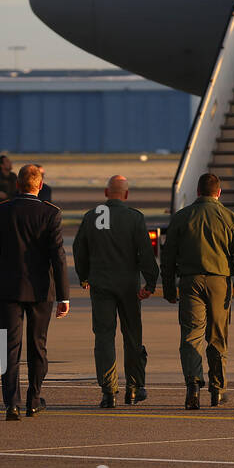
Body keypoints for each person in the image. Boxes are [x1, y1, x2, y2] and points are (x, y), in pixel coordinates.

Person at [0, 164, 69, 421]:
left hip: (7, 289)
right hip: (41, 290)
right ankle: (33, 399)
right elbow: (58, 256)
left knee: (9, 348)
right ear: (40, 186)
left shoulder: (0, 211)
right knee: (38, 346)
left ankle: (11, 404)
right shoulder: (50, 213)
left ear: (17, 185)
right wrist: (64, 295)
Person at [161, 172, 234, 409]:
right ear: (219, 193)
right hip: (219, 282)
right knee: (217, 337)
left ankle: (193, 385)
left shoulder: (182, 217)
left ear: (198, 192)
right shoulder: (231, 218)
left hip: (190, 282)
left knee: (191, 336)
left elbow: (168, 257)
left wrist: (169, 289)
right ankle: (218, 389)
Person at [73, 175, 159, 408]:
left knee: (104, 337)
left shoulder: (91, 217)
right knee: (132, 337)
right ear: (127, 195)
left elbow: (79, 248)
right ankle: (133, 389)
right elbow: (146, 254)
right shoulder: (134, 218)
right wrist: (150, 284)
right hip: (128, 287)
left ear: (105, 192)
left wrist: (84, 276)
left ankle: (108, 391)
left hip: (101, 285)